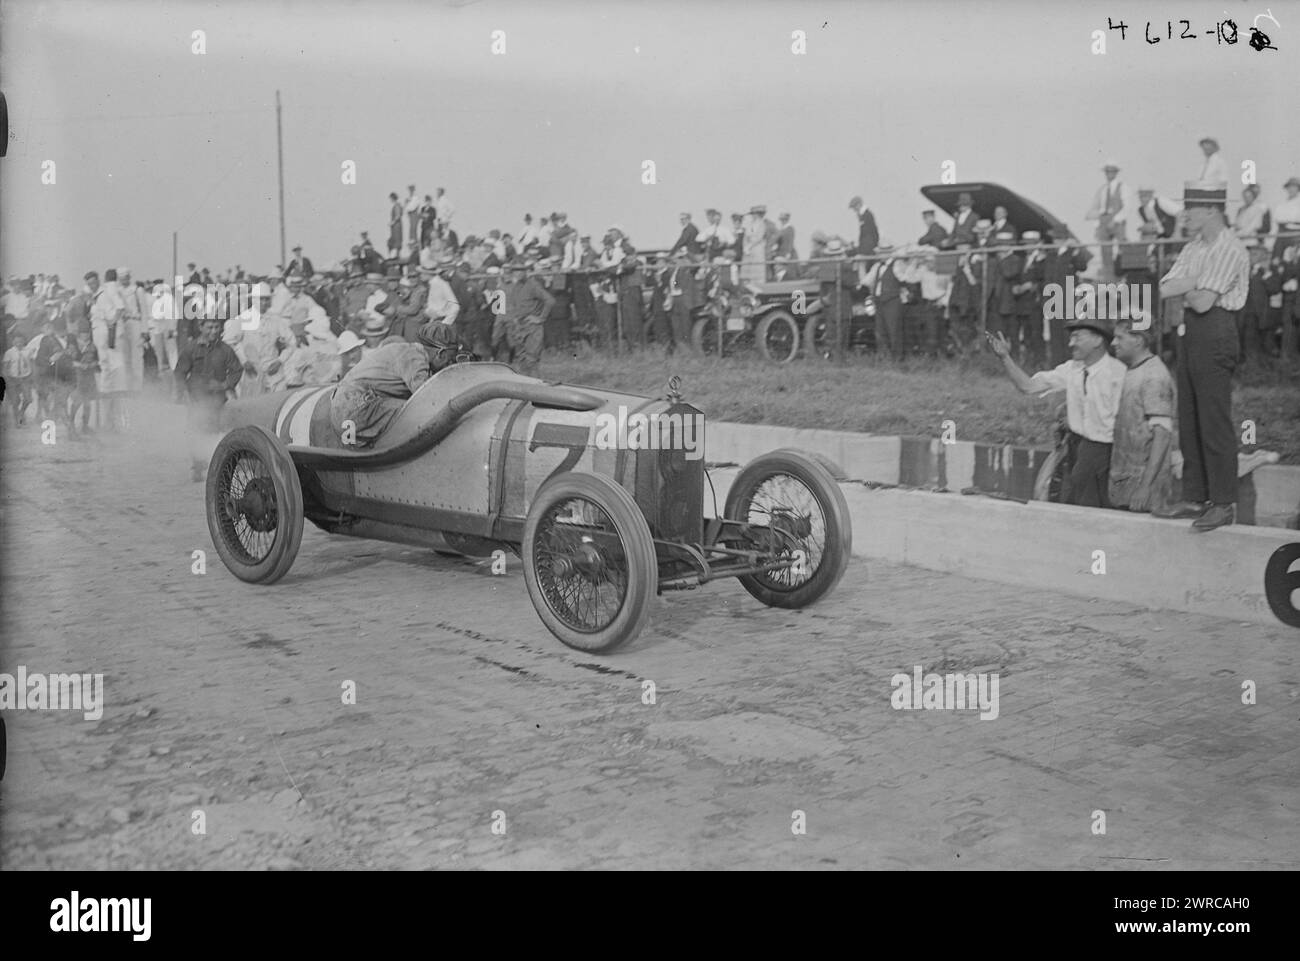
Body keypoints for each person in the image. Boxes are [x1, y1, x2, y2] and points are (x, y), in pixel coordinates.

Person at [1153, 181, 1249, 532]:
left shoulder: (1231, 248)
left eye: (1191, 210)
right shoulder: (1193, 248)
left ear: (1211, 210)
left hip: (1217, 330)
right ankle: (1195, 496)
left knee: (1213, 419)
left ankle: (1223, 503)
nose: (1185, 215)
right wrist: (1195, 282)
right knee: (1189, 417)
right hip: (1190, 333)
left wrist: (1188, 285)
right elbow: (1164, 289)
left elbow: (1204, 301)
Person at [988, 316, 1125, 508]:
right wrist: (1005, 357)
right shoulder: (1072, 369)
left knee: (1096, 505)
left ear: (1097, 340)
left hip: (1106, 450)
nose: (1071, 343)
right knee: (1072, 502)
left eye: (1077, 337)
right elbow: (1028, 386)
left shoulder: (1118, 374)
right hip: (1076, 448)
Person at [330, 320, 457, 447]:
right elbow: (427, 397)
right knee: (419, 412)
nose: (448, 365)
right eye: (449, 360)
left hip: (344, 406)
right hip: (355, 406)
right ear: (440, 354)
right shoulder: (414, 357)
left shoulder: (406, 351)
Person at [1108, 317, 1176, 513]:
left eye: (1119, 338)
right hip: (1125, 482)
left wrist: (1145, 487)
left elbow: (1162, 436)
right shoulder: (1132, 371)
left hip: (1142, 492)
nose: (1114, 343)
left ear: (1138, 340)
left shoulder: (1154, 375)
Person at [174, 315, 242, 481]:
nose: (213, 331)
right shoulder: (191, 348)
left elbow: (237, 370)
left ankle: (218, 467)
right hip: (196, 399)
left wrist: (225, 385)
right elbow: (180, 372)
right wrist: (183, 392)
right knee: (197, 430)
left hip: (218, 400)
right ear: (201, 327)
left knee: (218, 431)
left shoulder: (225, 350)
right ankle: (198, 467)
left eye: (216, 327)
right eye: (209, 327)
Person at [496, 260, 555, 376]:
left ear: (526, 272)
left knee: (532, 359)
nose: (517, 274)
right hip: (519, 326)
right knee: (521, 358)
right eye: (515, 271)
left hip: (531, 326)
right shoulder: (516, 286)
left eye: (520, 271)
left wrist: (540, 318)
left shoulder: (532, 285)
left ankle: (535, 386)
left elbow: (550, 300)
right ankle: (525, 386)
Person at [1085, 161, 1133, 279]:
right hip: (1104, 221)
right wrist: (1097, 226)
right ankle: (1109, 279)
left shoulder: (1123, 187)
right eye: (1107, 171)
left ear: (1116, 172)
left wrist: (1115, 220)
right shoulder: (1102, 189)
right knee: (1105, 252)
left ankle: (1125, 275)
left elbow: (1127, 207)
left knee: (1123, 248)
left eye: (1111, 171)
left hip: (1117, 220)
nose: (1109, 174)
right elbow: (1097, 208)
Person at [67, 326, 100, 438]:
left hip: (89, 377)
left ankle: (85, 426)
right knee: (77, 401)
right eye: (83, 333)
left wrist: (91, 365)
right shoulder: (73, 346)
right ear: (79, 334)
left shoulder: (93, 346)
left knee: (87, 403)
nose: (85, 335)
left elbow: (97, 361)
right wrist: (80, 365)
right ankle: (71, 426)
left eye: (87, 333)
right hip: (77, 376)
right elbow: (69, 361)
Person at [2, 331, 34, 426]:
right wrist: (7, 379)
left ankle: (21, 412)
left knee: (28, 399)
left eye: (21, 341)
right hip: (13, 378)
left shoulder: (28, 351)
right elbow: (5, 367)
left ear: (24, 341)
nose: (19, 343)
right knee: (15, 400)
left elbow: (32, 364)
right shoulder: (9, 352)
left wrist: (32, 375)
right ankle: (17, 420)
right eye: (16, 342)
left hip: (25, 378)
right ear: (13, 342)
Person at [387, 192, 403, 258]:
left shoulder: (397, 205)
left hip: (397, 226)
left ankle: (396, 255)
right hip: (395, 226)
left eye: (391, 198)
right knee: (395, 240)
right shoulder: (396, 205)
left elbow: (398, 215)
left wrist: (392, 222)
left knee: (397, 240)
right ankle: (396, 255)